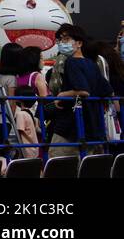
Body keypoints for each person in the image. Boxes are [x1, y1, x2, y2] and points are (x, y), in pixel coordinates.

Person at [47, 24, 112, 158]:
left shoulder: (71, 62)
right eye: (59, 40)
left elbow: (83, 91)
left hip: (70, 126)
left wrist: (62, 95)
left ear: (79, 43)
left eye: (66, 39)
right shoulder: (92, 64)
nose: (61, 43)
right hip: (93, 126)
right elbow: (108, 91)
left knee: (57, 163)